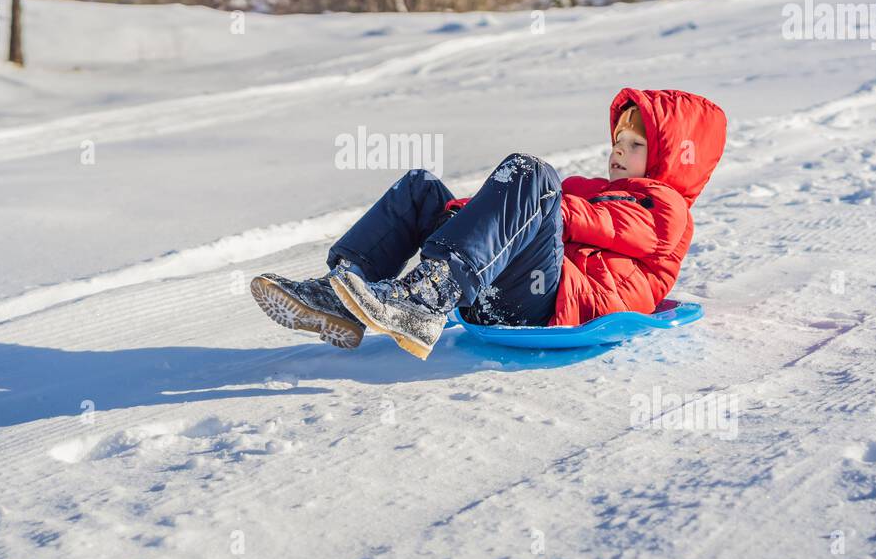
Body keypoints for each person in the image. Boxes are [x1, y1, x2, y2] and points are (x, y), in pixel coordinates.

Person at [251, 87, 726, 360]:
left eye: (636, 145)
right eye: (618, 140)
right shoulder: (590, 185)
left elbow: (599, 223)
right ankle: (343, 291)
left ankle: (426, 297)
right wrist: (466, 217)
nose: (618, 150)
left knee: (534, 175)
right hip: (504, 293)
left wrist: (532, 205)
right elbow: (533, 214)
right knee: (422, 190)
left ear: (670, 156)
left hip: (553, 306)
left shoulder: (665, 207)